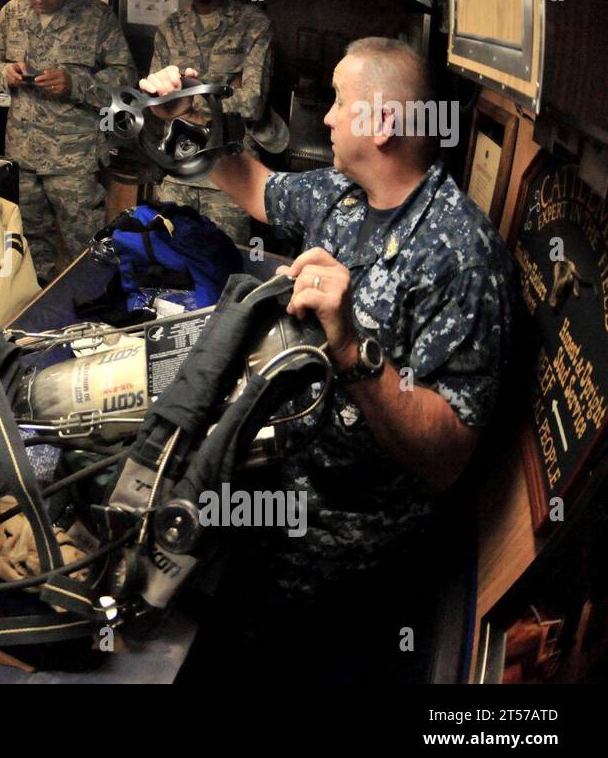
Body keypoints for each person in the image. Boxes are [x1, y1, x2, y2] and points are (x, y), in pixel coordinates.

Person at [142, 38, 511, 681]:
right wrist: (187, 120)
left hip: (349, 544)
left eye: (342, 102)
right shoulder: (342, 192)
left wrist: (348, 343)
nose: (331, 117)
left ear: (384, 124)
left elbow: (446, 457)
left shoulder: (461, 254)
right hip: (277, 488)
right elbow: (254, 185)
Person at [0, 0, 136, 280]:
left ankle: (91, 308)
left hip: (74, 159)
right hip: (23, 155)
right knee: (30, 243)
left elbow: (125, 79)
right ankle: (40, 309)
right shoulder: (11, 14)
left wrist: (75, 83)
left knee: (86, 243)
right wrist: (5, 73)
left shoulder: (97, 18)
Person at [151, 0, 289, 245]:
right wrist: (225, 89)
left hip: (231, 172)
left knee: (227, 267)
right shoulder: (169, 29)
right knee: (173, 262)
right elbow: (158, 100)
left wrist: (187, 98)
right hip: (179, 168)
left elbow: (252, 103)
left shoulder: (252, 23)